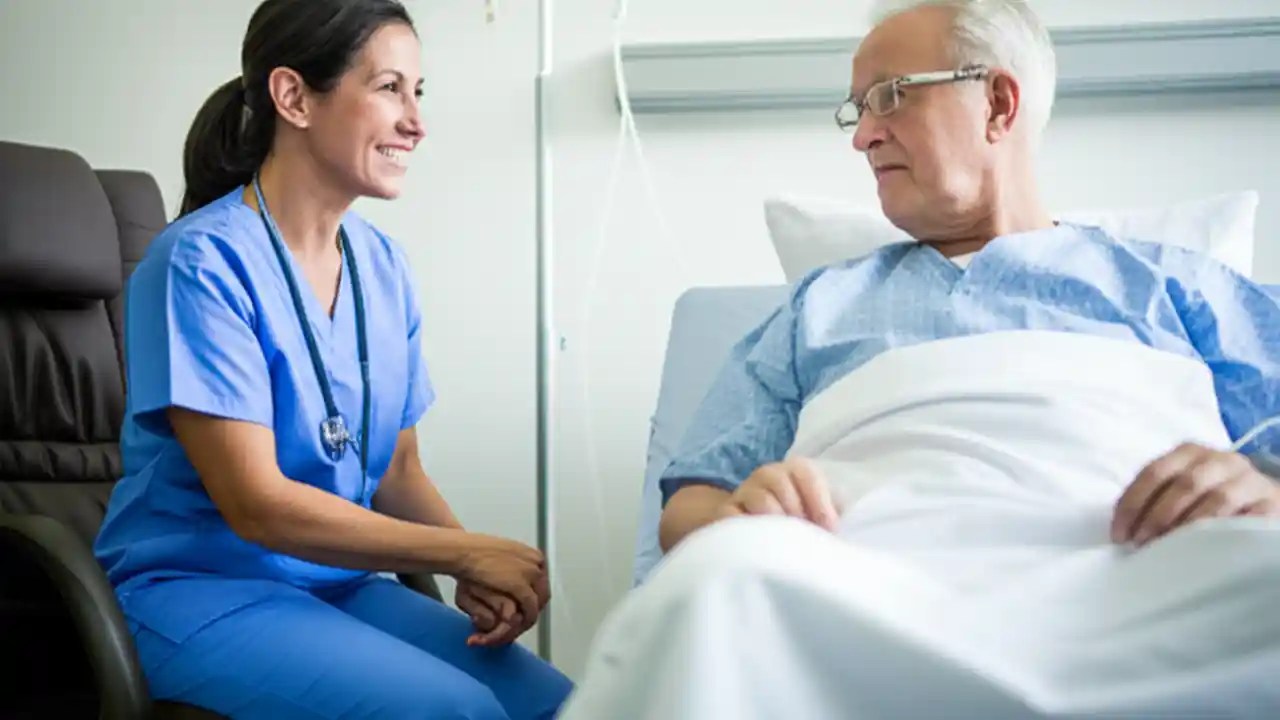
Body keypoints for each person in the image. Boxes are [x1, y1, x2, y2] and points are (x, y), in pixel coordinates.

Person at [557, 1, 1280, 717]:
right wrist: (743, 512)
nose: (863, 136)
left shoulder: (1172, 286)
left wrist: (1261, 491)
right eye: (857, 111)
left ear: (997, 102)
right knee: (715, 586)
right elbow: (687, 507)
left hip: (1143, 582)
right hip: (862, 597)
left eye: (890, 96)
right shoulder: (818, 308)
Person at [92, 1, 572, 718]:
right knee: (450, 712)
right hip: (198, 594)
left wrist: (479, 566)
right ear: (294, 98)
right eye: (388, 89)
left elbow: (398, 471)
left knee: (564, 705)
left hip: (337, 587)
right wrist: (461, 555)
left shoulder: (382, 267)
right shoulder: (200, 263)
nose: (416, 121)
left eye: (418, 92)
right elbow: (257, 504)